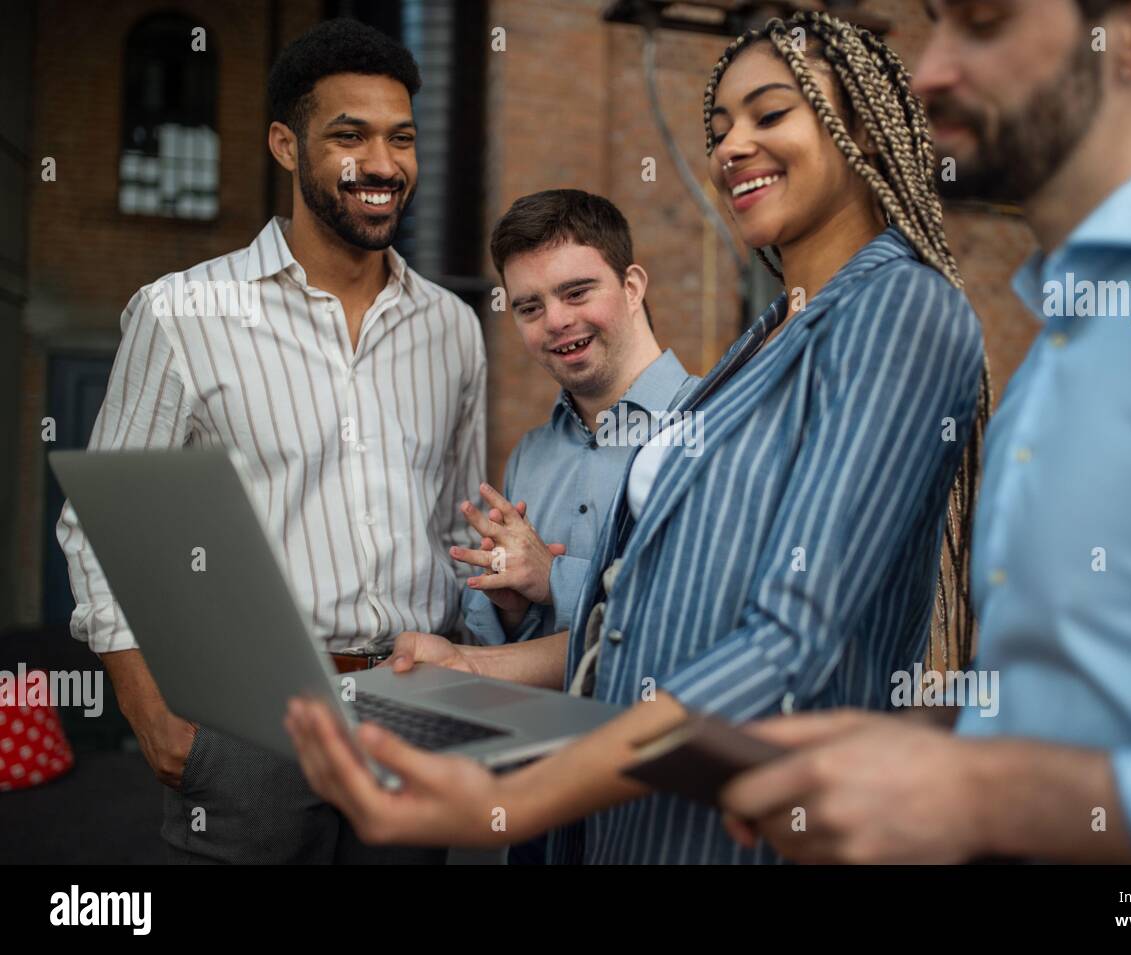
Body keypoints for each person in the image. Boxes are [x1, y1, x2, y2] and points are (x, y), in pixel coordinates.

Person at [286, 11, 988, 864]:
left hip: (737, 829)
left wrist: (515, 797)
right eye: (720, 126)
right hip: (636, 821)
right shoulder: (769, 336)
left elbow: (790, 641)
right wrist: (470, 670)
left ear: (865, 133)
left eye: (770, 114)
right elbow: (650, 620)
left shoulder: (895, 308)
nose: (732, 146)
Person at [720, 0, 1131, 864]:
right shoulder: (1050, 361)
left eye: (983, 23)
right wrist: (918, 749)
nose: (927, 72)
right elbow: (1095, 705)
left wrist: (989, 797)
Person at [56, 18, 484, 863]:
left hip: (413, 709)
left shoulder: (454, 327)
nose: (384, 164)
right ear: (287, 146)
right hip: (248, 721)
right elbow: (102, 523)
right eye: (349, 136)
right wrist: (149, 710)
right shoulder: (181, 312)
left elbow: (457, 527)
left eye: (401, 138)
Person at [454, 189, 695, 650]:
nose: (556, 321)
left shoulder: (717, 424)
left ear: (632, 287)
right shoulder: (531, 454)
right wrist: (514, 605)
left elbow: (701, 613)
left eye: (577, 292)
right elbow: (491, 640)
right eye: (529, 308)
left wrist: (554, 581)